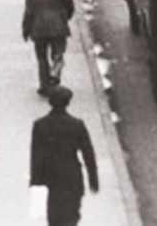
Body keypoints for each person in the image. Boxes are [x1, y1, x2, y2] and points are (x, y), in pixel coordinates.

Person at [30, 86, 98, 226]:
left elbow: (36, 155)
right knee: (72, 215)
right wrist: (93, 179)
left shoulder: (40, 125)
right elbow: (88, 153)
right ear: (68, 102)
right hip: (72, 176)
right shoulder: (76, 125)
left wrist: (35, 181)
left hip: (51, 177)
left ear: (50, 102)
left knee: (54, 216)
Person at [23, 0, 75, 95]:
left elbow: (29, 12)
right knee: (58, 54)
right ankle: (54, 75)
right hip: (58, 27)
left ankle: (44, 85)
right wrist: (65, 18)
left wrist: (26, 29)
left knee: (41, 57)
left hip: (38, 28)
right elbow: (69, 5)